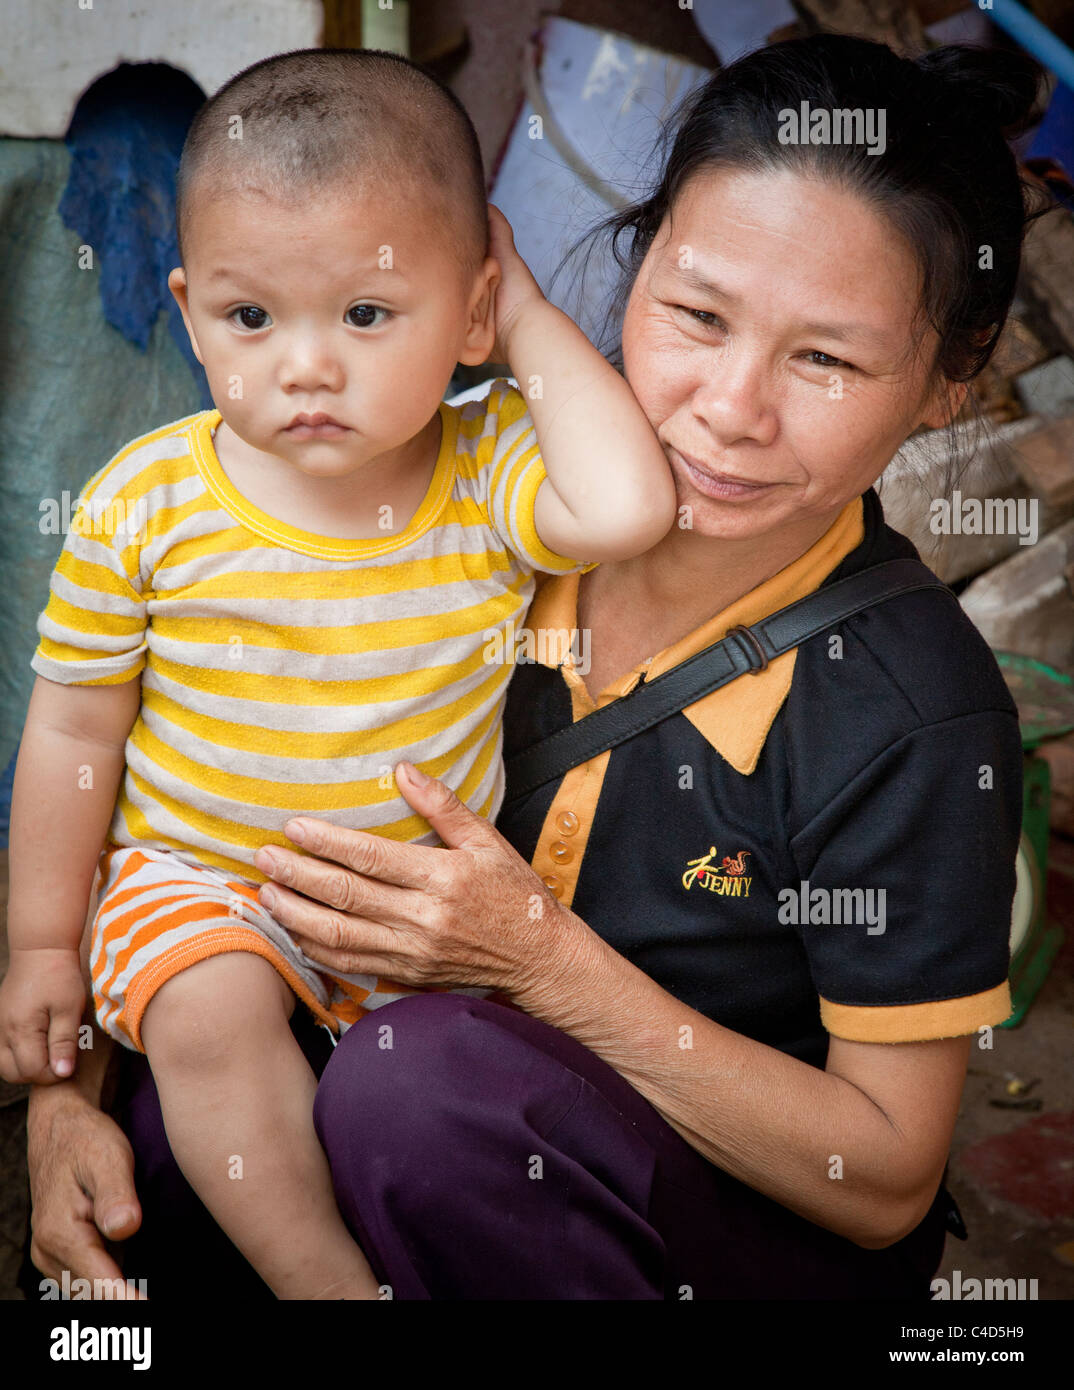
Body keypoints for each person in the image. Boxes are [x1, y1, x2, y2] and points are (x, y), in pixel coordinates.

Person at [21, 32, 1044, 1301]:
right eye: (696, 314)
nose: (731, 406)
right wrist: (67, 1094)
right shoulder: (460, 508)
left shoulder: (912, 713)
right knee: (190, 1139)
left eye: (826, 358)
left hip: (711, 1224)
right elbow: (165, 777)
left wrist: (543, 963)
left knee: (417, 1079)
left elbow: (887, 1177)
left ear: (948, 382)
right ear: (634, 265)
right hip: (414, 1111)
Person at [0, 48, 675, 1301]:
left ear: (468, 311)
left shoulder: (486, 469)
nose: (305, 365)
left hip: (412, 908)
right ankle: (330, 1290)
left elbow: (630, 502)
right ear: (191, 307)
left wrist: (523, 316)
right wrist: (42, 944)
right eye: (251, 318)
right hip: (199, 882)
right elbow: (73, 727)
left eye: (366, 315)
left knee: (442, 1099)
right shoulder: (144, 503)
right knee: (207, 1017)